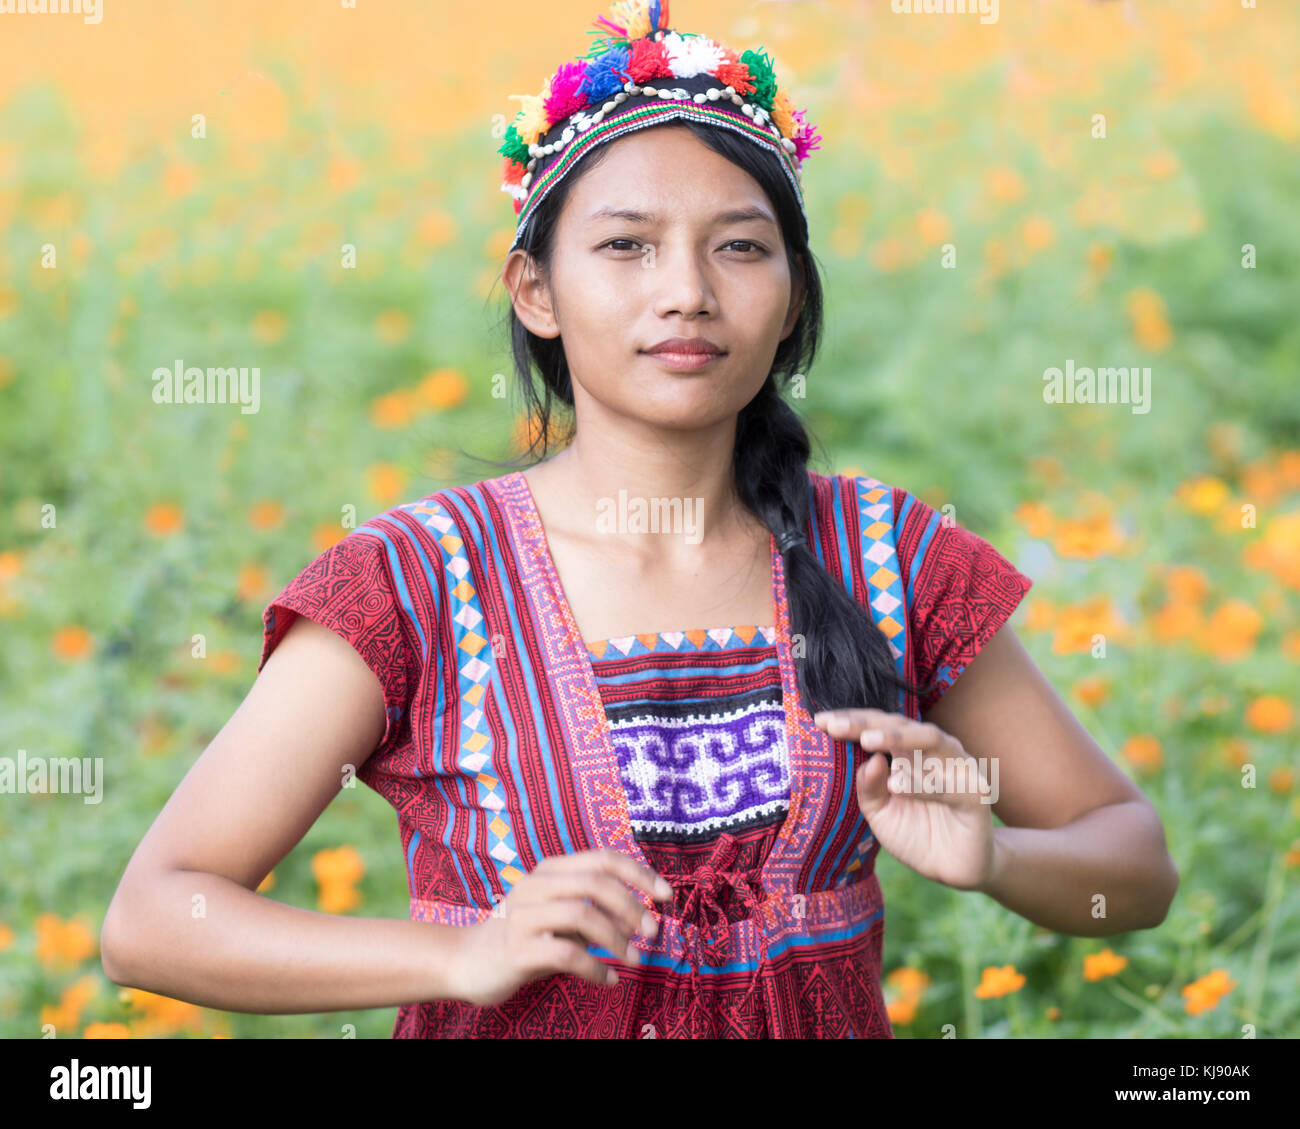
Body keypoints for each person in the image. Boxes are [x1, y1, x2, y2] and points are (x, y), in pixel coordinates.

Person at [101, 0, 1179, 1038]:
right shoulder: (420, 581)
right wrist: (457, 956)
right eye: (626, 246)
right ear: (536, 291)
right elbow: (154, 918)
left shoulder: (889, 561)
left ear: (794, 294)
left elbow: (1130, 865)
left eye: (740, 247)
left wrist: (995, 858)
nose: (687, 292)